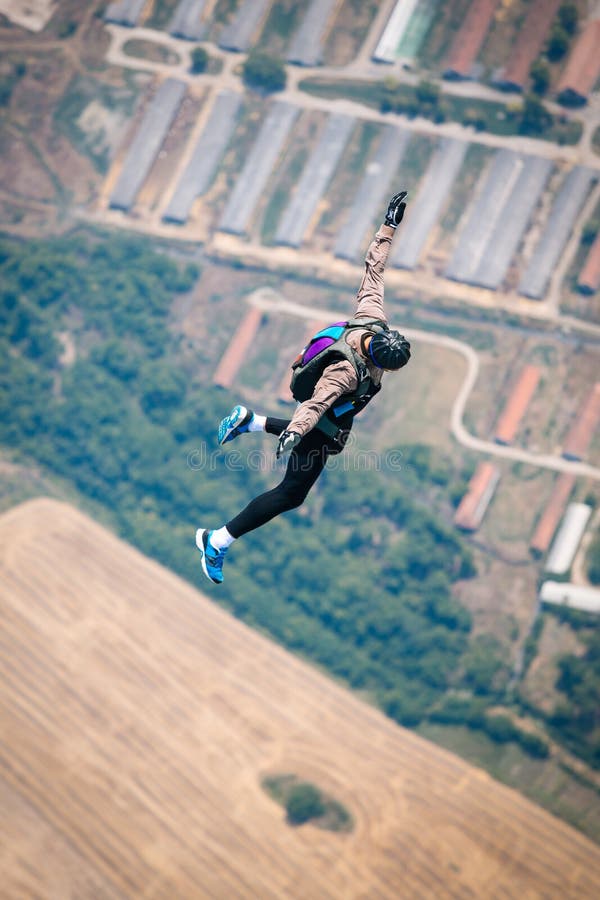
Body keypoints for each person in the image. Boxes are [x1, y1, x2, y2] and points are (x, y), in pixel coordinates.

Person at [197, 192, 411, 584]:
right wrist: (295, 431)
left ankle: (250, 421)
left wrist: (389, 226)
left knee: (330, 436)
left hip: (332, 412)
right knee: (291, 494)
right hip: (322, 407)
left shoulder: (371, 316)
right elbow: (316, 404)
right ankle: (217, 540)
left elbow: (374, 271)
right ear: (379, 358)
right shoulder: (346, 373)